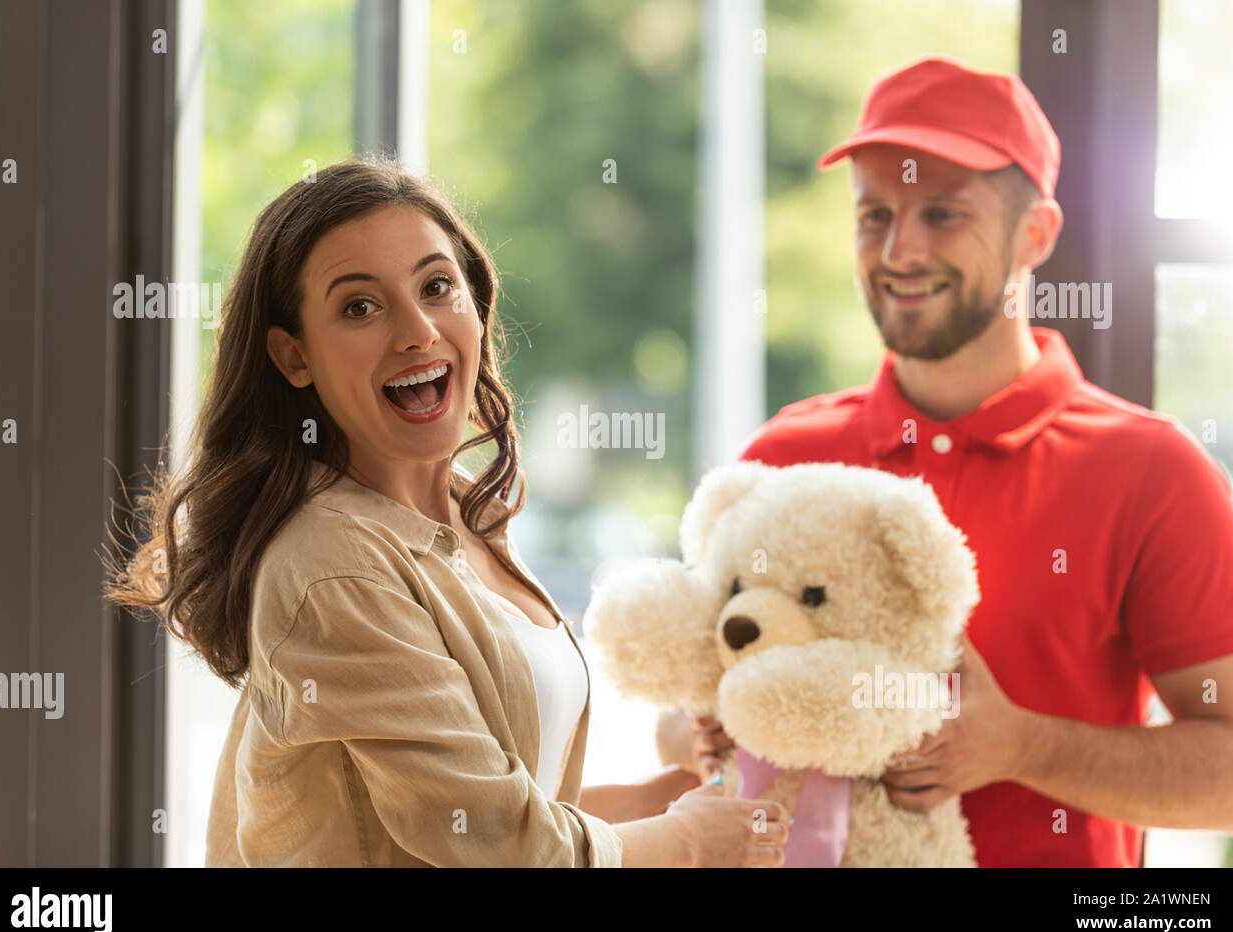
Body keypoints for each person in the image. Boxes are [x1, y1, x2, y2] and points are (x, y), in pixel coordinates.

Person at [661, 56, 1233, 867]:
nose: (898, 250)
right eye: (874, 215)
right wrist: (701, 727)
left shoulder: (1153, 472)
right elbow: (681, 721)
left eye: (942, 214)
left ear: (1035, 234)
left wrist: (1022, 745)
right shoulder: (785, 458)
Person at [104, 157, 789, 867]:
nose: (418, 331)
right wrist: (685, 842)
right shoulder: (331, 563)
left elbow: (479, 800)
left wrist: (659, 801)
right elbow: (496, 843)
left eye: (436, 287)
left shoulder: (463, 505)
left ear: (475, 303)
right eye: (360, 307)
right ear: (293, 356)